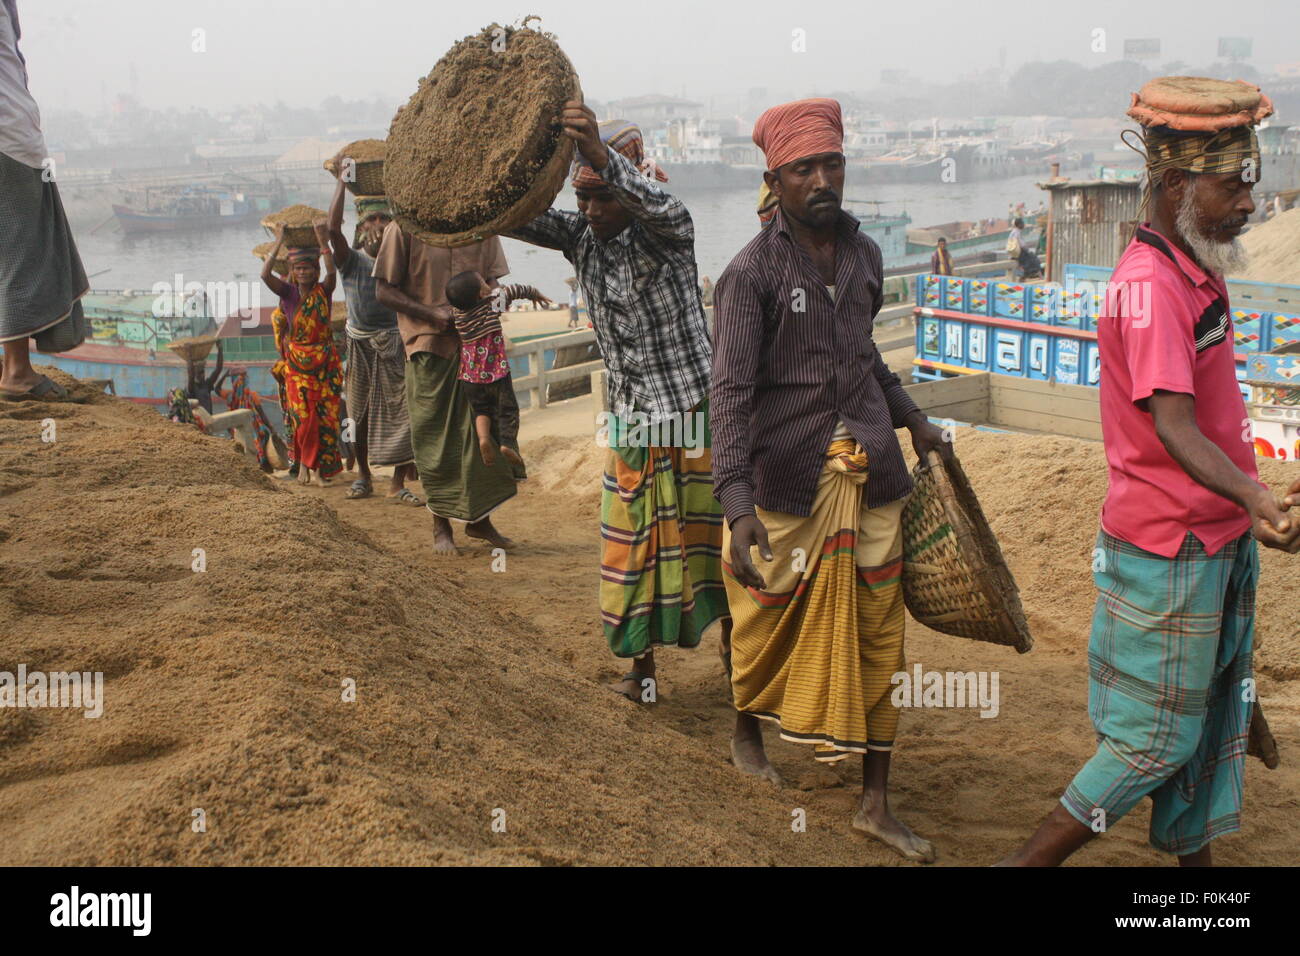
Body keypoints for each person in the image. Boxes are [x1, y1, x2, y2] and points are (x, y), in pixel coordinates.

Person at [1000, 77, 1300, 867]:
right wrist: (1254, 494)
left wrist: (1259, 491)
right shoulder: (1149, 287)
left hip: (1214, 536)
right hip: (1172, 548)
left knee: (1195, 738)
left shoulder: (1196, 270)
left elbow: (1212, 414)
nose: (1248, 204)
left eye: (1250, 184)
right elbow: (1171, 427)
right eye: (1232, 186)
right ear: (1176, 184)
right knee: (1153, 741)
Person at [712, 97, 953, 862]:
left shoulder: (866, 258)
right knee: (762, 614)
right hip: (783, 478)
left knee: (882, 632)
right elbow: (730, 392)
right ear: (773, 180)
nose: (822, 179)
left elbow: (866, 360)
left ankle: (874, 801)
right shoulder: (748, 275)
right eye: (803, 168)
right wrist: (736, 499)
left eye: (832, 163)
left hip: (873, 474)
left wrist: (912, 418)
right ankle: (748, 732)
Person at [505, 103, 728, 702]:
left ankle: (741, 657)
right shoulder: (584, 239)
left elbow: (663, 207)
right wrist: (484, 182)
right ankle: (642, 672)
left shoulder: (668, 230)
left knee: (714, 543)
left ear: (629, 189)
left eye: (604, 198)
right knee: (631, 545)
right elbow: (522, 218)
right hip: (632, 422)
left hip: (694, 417)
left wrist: (601, 155)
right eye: (584, 201)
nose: (592, 212)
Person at [372, 220, 517, 555]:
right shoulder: (405, 229)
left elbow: (494, 280)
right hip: (428, 346)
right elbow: (384, 290)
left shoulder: (482, 226)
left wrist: (495, 298)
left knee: (485, 433)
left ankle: (480, 519)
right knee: (434, 436)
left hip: (478, 346)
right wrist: (429, 312)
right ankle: (441, 523)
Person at [0, 1, 88, 400]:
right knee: (23, 249)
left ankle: (9, 366)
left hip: (16, 138)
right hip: (12, 142)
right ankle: (17, 372)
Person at [322, 173, 421, 505]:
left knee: (406, 411)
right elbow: (333, 230)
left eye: (384, 218)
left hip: (397, 342)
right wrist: (340, 182)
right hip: (360, 344)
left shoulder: (402, 260)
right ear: (360, 227)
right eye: (371, 219)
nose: (377, 224)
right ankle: (363, 474)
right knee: (357, 414)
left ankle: (397, 482)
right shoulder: (350, 260)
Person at [261, 223, 343, 486]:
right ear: (292, 273)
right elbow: (264, 274)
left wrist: (323, 242)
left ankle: (318, 470)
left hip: (325, 364)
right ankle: (306, 465)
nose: (303, 272)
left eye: (308, 268)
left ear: (314, 270)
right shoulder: (288, 293)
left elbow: (332, 271)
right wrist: (279, 243)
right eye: (298, 269)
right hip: (297, 364)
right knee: (303, 418)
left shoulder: (324, 290)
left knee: (325, 418)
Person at [444, 271, 549, 467]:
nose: (487, 284)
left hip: (470, 376)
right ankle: (507, 443)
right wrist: (535, 294)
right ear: (481, 294)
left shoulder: (457, 315)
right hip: (496, 372)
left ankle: (483, 438)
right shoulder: (492, 305)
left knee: (481, 410)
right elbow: (516, 290)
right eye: (483, 282)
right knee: (507, 410)